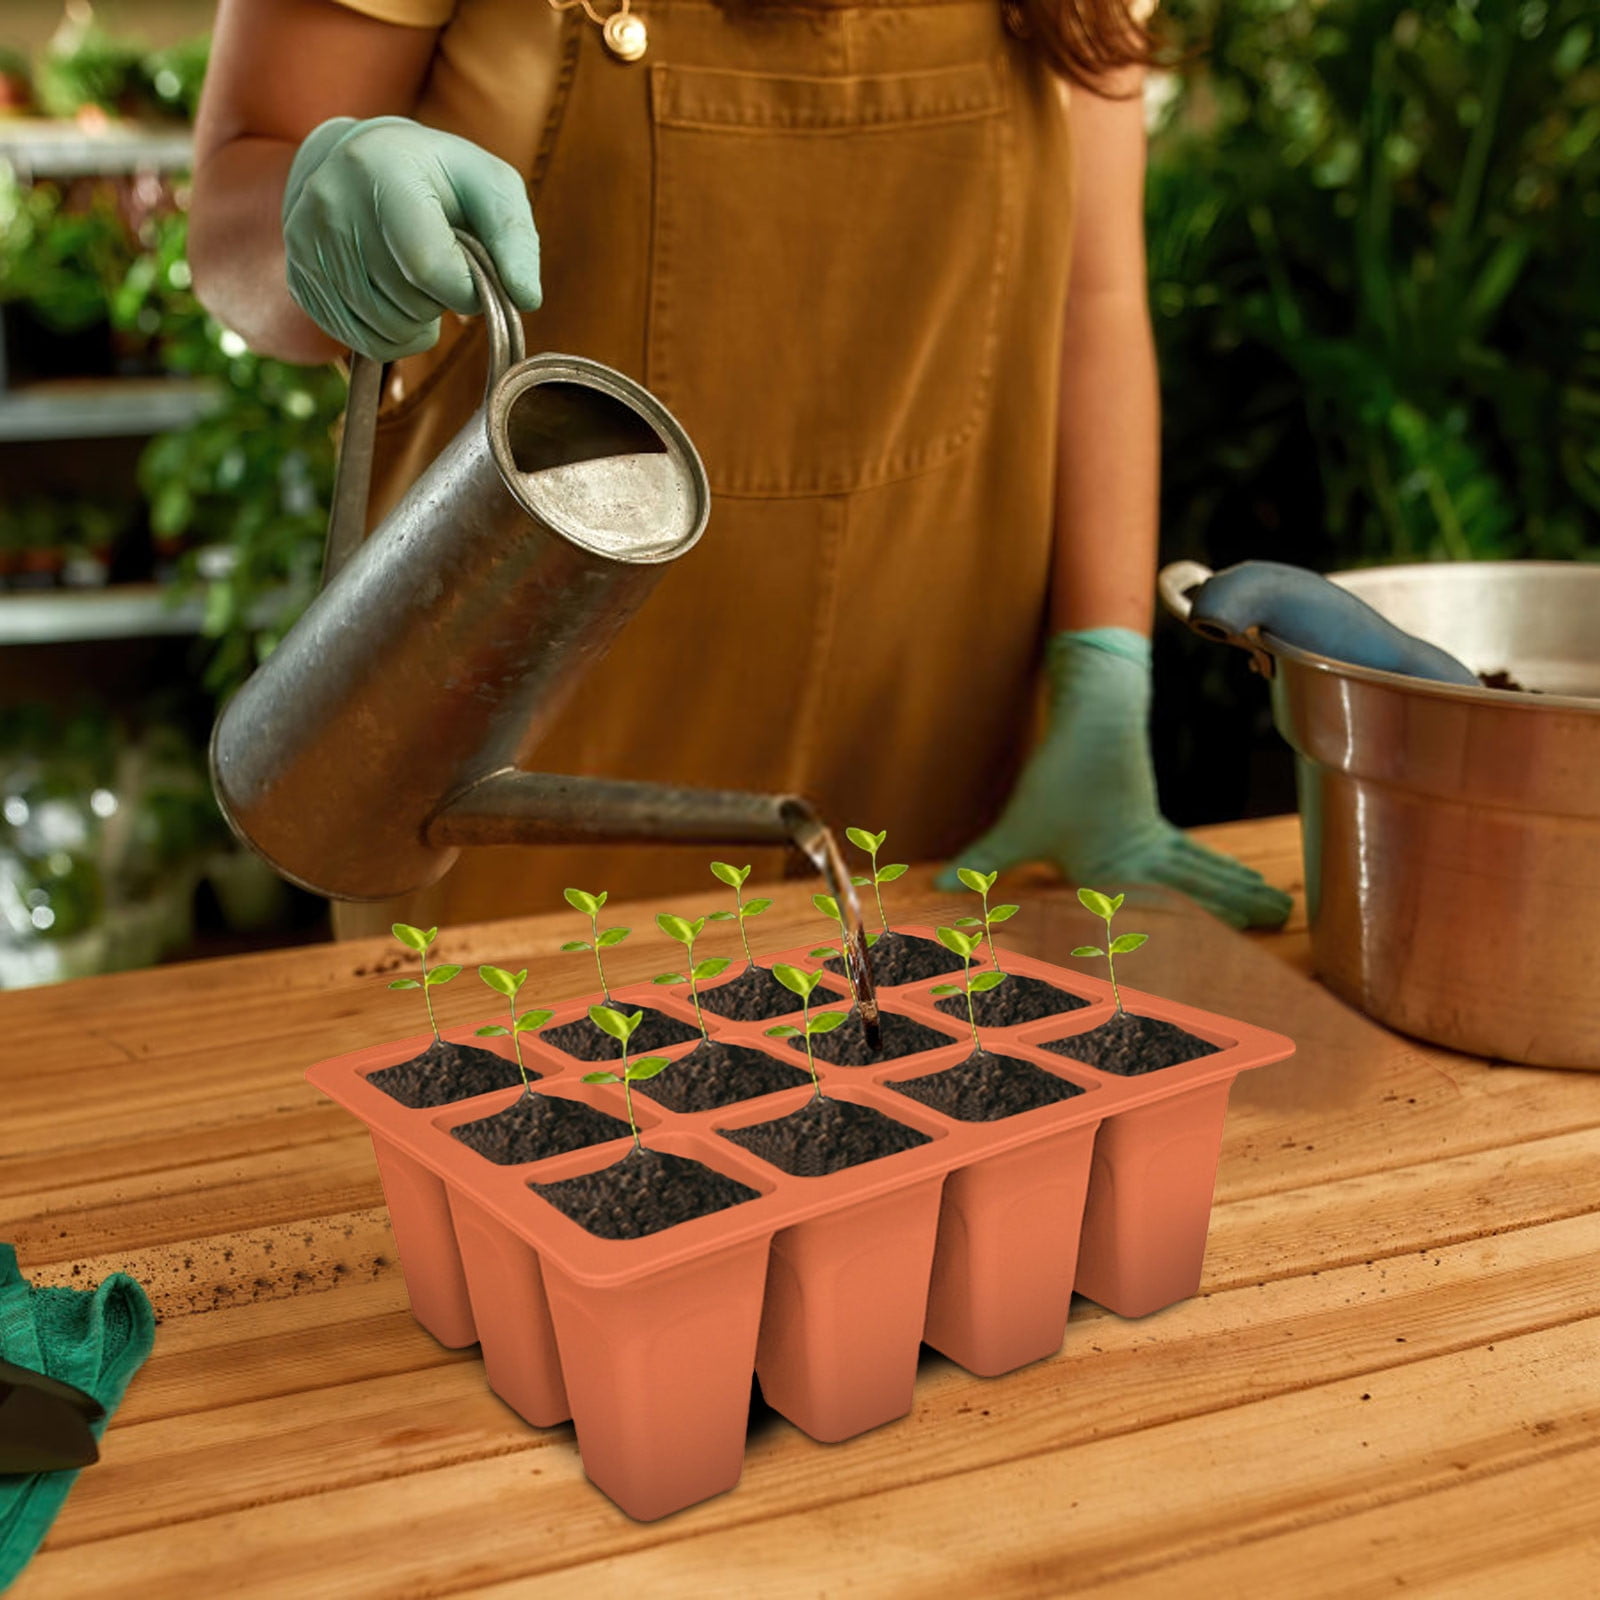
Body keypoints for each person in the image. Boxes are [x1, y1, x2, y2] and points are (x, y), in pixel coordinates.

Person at [187, 0, 1292, 936]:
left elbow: (1091, 300)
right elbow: (231, 204)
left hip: (946, 790)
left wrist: (1104, 676)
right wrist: (306, 212)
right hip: (511, 815)